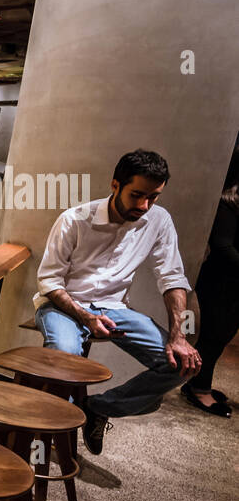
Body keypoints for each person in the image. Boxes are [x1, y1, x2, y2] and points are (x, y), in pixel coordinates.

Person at [34, 149, 201, 454]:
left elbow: (173, 278)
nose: (144, 205)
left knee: (180, 364)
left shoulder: (158, 220)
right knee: (64, 357)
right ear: (115, 185)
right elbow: (49, 281)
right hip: (64, 305)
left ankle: (97, 407)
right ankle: (49, 433)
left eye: (153, 197)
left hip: (114, 308)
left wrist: (179, 336)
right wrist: (85, 317)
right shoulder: (74, 220)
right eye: (137, 195)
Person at [181, 148, 239, 417]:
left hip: (233, 282)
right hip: (221, 281)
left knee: (222, 336)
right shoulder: (229, 202)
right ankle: (198, 389)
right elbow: (222, 246)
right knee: (212, 335)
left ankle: (201, 383)